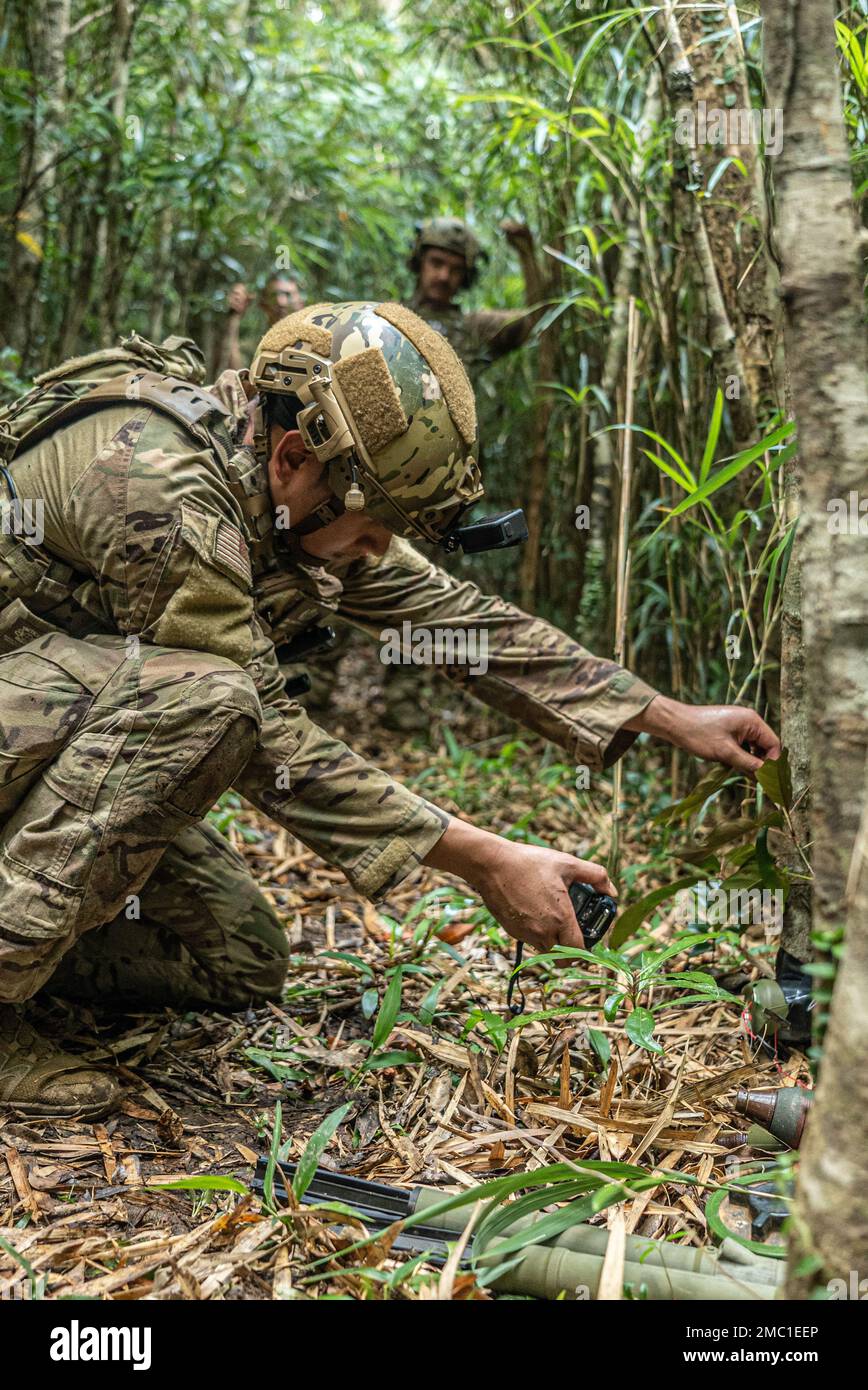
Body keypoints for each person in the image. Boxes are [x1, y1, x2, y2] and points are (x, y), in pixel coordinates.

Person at [0, 303, 780, 1118]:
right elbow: (270, 740)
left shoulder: (287, 496)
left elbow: (458, 623)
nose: (378, 552)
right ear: (294, 457)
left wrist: (663, 714)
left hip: (32, 750)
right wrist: (485, 860)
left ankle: (31, 952)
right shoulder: (160, 489)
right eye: (376, 530)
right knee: (213, 699)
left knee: (236, 958)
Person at [407, 215, 548, 382]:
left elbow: (541, 321)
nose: (444, 276)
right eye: (437, 263)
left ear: (466, 277)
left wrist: (527, 255)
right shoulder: (387, 318)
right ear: (420, 262)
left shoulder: (476, 327)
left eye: (456, 269)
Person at [213, 271, 304, 376]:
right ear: (263, 305)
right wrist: (234, 317)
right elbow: (237, 377)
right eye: (274, 296)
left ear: (301, 302)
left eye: (288, 295)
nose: (281, 302)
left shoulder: (313, 339)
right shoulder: (255, 347)